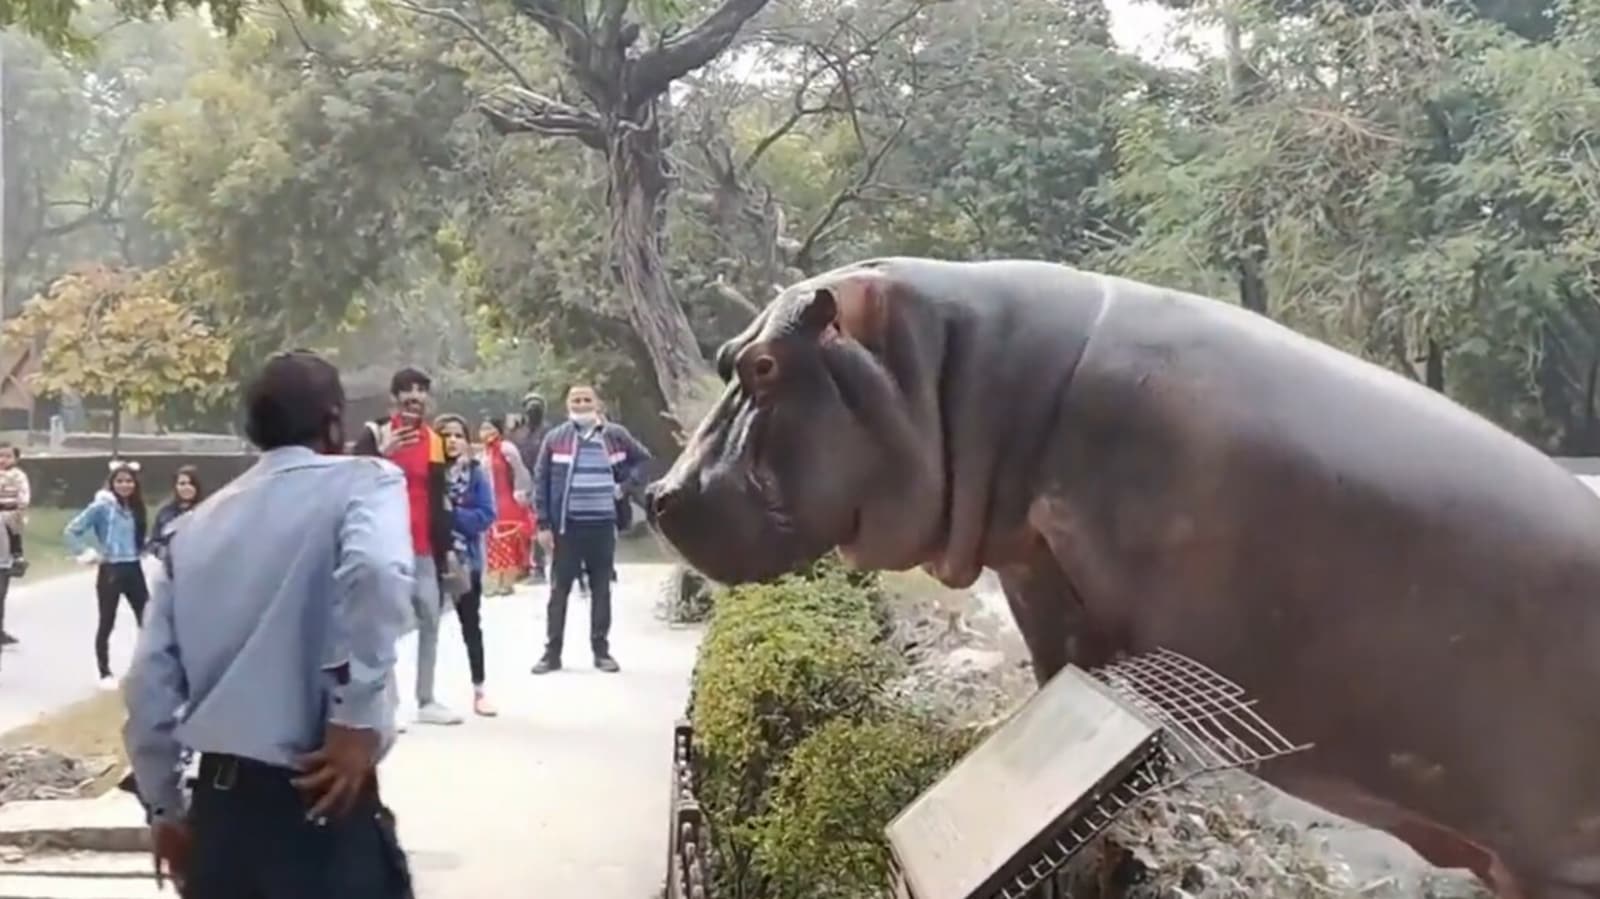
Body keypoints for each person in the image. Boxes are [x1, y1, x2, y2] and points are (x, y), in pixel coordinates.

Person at [121, 349, 416, 899]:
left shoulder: (193, 528)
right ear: (335, 421)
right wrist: (354, 717)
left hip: (223, 815)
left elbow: (147, 684)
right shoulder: (364, 483)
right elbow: (377, 570)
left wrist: (165, 810)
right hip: (321, 797)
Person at [352, 367, 461, 726]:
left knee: (430, 617)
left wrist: (447, 550)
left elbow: (438, 497)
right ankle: (387, 703)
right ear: (395, 398)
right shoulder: (375, 432)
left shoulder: (434, 441)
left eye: (421, 393)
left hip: (424, 545)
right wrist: (382, 454)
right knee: (386, 624)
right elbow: (356, 482)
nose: (415, 399)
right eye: (408, 393)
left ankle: (426, 699)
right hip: (385, 543)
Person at [531, 383, 652, 675]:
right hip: (567, 527)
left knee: (601, 589)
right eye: (576, 399)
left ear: (597, 404)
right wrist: (544, 524)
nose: (582, 403)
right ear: (567, 405)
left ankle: (601, 651)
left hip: (602, 525)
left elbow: (643, 460)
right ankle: (552, 653)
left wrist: (625, 486)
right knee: (559, 590)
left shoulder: (615, 436)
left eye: (587, 399)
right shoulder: (555, 439)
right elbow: (541, 481)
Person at [65, 460, 149, 688]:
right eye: (120, 481)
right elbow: (72, 530)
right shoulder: (102, 506)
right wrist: (86, 552)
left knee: (148, 618)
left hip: (133, 567)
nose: (125, 485)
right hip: (111, 568)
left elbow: (138, 539)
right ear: (112, 483)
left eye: (129, 481)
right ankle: (104, 672)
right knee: (107, 621)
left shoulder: (135, 507)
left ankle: (148, 667)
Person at [436, 414, 498, 717]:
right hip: (429, 558)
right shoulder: (429, 475)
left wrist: (452, 516)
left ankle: (480, 690)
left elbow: (486, 515)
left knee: (471, 626)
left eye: (459, 435)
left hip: (465, 560)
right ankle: (424, 696)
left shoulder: (476, 475)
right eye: (445, 435)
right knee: (422, 628)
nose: (452, 440)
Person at [478, 417, 532, 596]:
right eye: (483, 428)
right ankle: (494, 581)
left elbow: (519, 470)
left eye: (489, 428)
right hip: (489, 501)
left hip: (507, 499)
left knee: (507, 540)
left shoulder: (506, 448)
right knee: (492, 542)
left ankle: (507, 582)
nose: (485, 432)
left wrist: (521, 491)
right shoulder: (482, 454)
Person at [511, 392, 549, 583]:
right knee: (528, 527)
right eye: (530, 405)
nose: (533, 408)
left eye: (537, 405)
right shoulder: (519, 434)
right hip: (526, 484)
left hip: (547, 482)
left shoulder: (550, 432)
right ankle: (532, 566)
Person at [0, 444, 29, 646]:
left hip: (10, 516)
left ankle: (16, 557)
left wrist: (19, 508)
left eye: (7, 456)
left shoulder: (18, 476)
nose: (3, 460)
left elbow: (24, 496)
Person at [149, 466, 204, 567]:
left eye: (191, 483)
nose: (187, 487)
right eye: (182, 484)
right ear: (175, 486)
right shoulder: (165, 513)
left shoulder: (206, 510)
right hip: (172, 570)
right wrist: (163, 552)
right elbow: (154, 542)